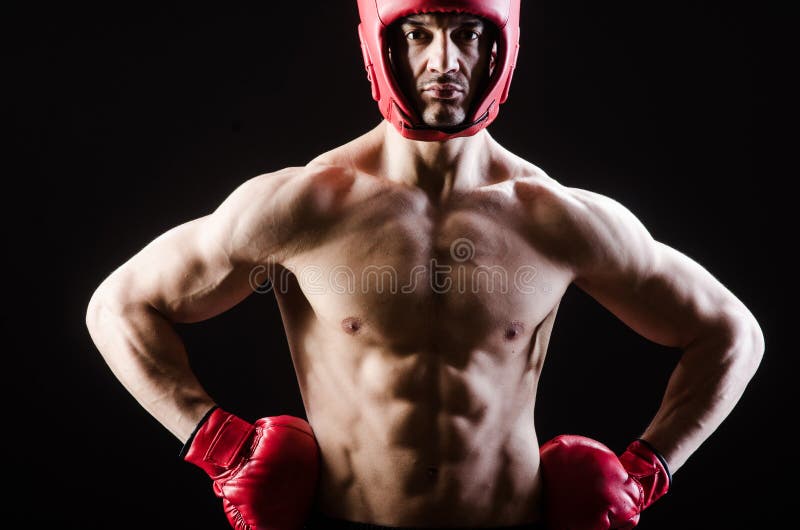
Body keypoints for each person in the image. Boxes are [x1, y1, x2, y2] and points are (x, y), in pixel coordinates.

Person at [85, 1, 765, 529]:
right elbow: (118, 306)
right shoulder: (304, 205)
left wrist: (645, 473)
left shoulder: (552, 216)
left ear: (501, 45)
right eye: (418, 34)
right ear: (380, 45)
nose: (444, 59)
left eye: (467, 35)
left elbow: (732, 333)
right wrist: (218, 445)